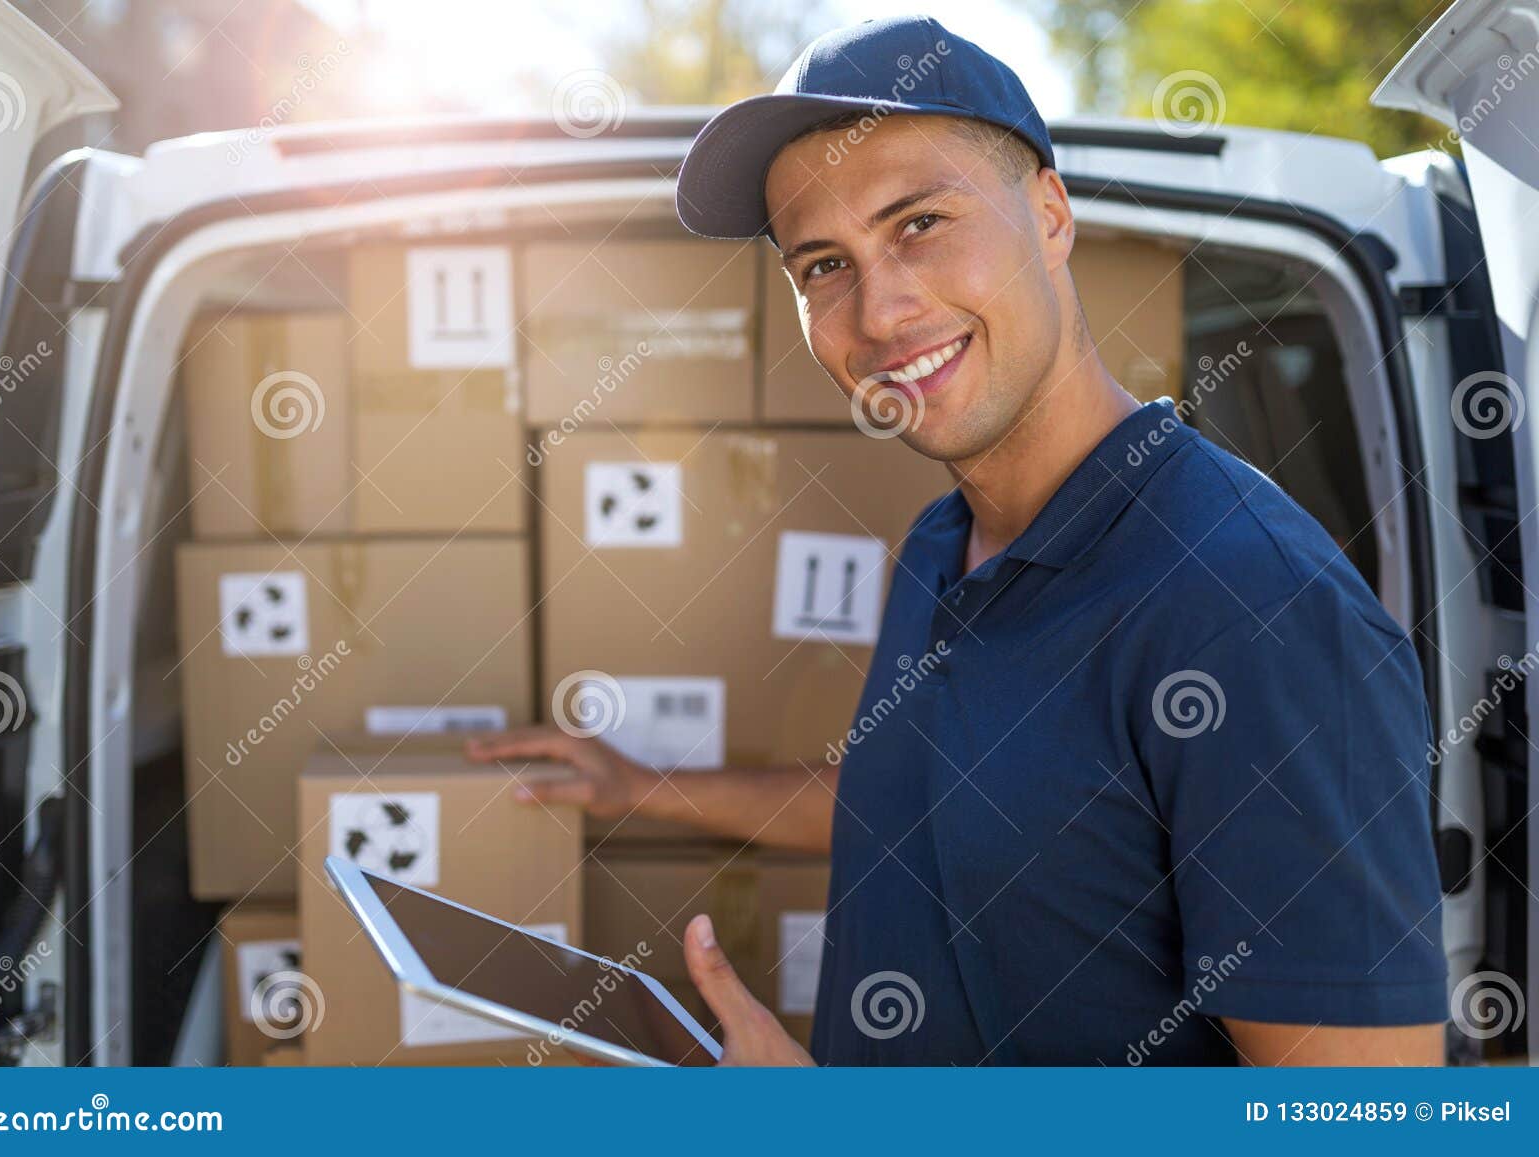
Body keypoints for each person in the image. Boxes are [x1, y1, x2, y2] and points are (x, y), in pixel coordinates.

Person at [468, 15, 1447, 1066]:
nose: (880, 310)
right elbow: (928, 795)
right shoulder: (946, 544)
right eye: (821, 265)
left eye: (920, 223)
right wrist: (643, 787)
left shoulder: (1253, 609)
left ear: (1051, 215)